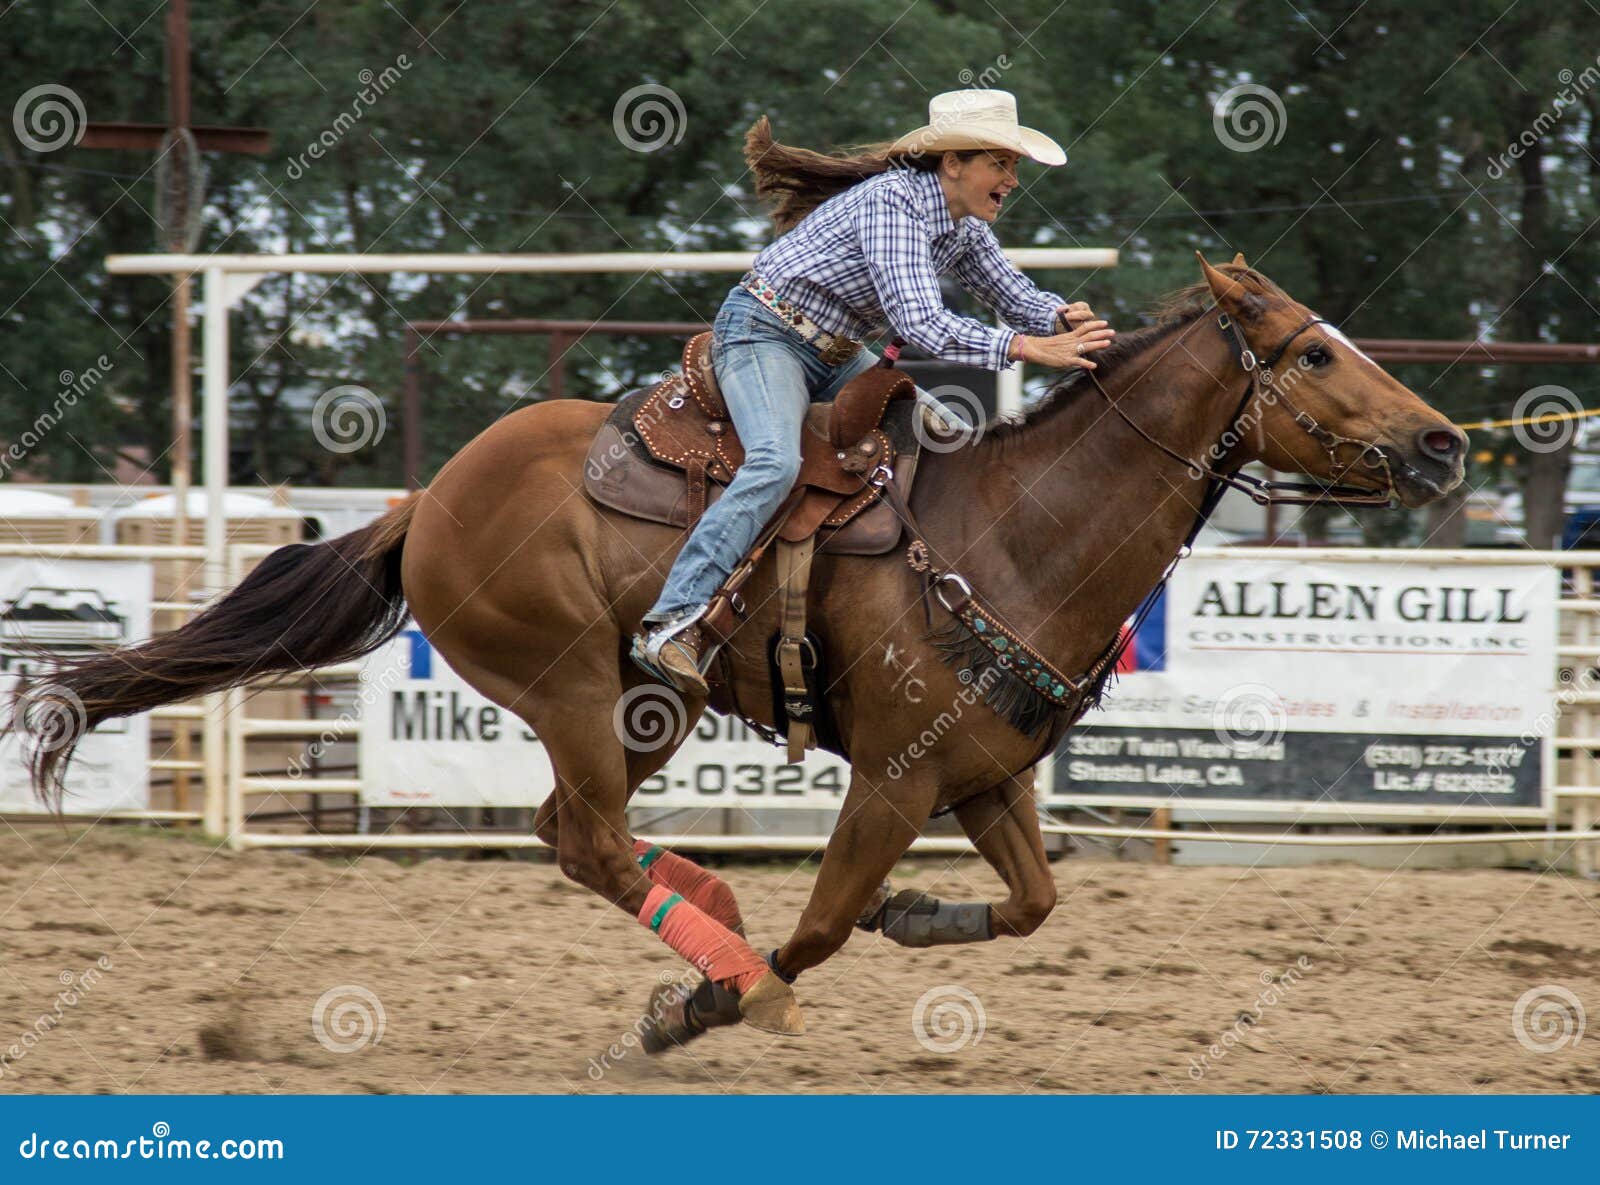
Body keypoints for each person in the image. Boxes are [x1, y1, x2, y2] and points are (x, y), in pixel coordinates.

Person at [631, 89, 1116, 695]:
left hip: (832, 352)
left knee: (946, 437)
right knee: (775, 463)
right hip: (763, 335)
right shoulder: (892, 204)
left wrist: (1062, 320)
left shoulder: (960, 225)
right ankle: (673, 622)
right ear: (953, 163)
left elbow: (1014, 296)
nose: (1012, 180)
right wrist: (1024, 348)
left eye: (1013, 165)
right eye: (1001, 163)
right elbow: (920, 324)